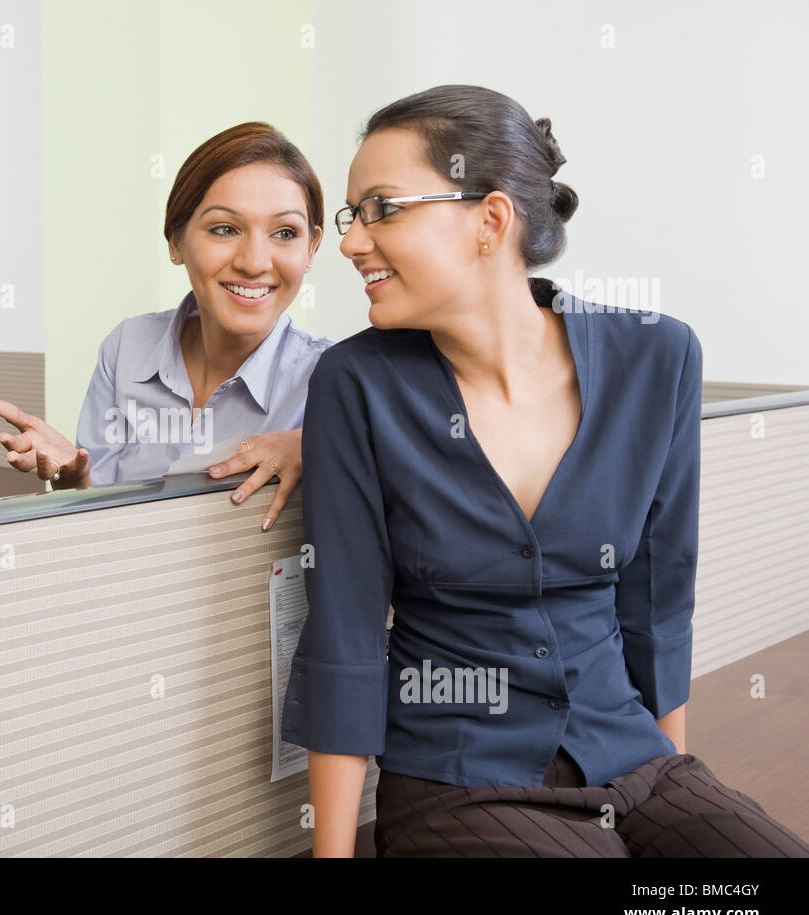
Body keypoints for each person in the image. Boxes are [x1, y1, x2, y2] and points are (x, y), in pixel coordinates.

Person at [281, 84, 809, 858]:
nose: (354, 241)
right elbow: (345, 640)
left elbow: (659, 600)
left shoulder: (657, 359)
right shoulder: (357, 384)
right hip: (463, 782)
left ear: (490, 221)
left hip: (634, 759)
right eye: (351, 217)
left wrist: (669, 796)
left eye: (381, 209)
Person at [0, 122, 334, 532]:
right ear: (176, 240)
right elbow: (96, 521)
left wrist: (319, 446)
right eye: (225, 229)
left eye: (284, 233)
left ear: (311, 248)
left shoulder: (334, 378)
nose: (255, 262)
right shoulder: (127, 347)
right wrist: (77, 483)